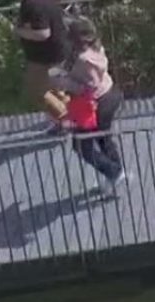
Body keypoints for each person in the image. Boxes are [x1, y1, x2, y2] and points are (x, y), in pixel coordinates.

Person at [52, 18, 127, 195]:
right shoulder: (95, 48)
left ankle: (115, 173)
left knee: (81, 146)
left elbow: (90, 85)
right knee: (103, 138)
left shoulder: (83, 59)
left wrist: (63, 82)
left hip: (96, 104)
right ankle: (115, 175)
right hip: (110, 94)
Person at [8, 0, 70, 130]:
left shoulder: (34, 3)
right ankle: (72, 117)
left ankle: (66, 119)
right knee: (57, 88)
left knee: (36, 91)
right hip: (59, 50)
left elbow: (42, 33)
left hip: (43, 57)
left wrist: (19, 31)